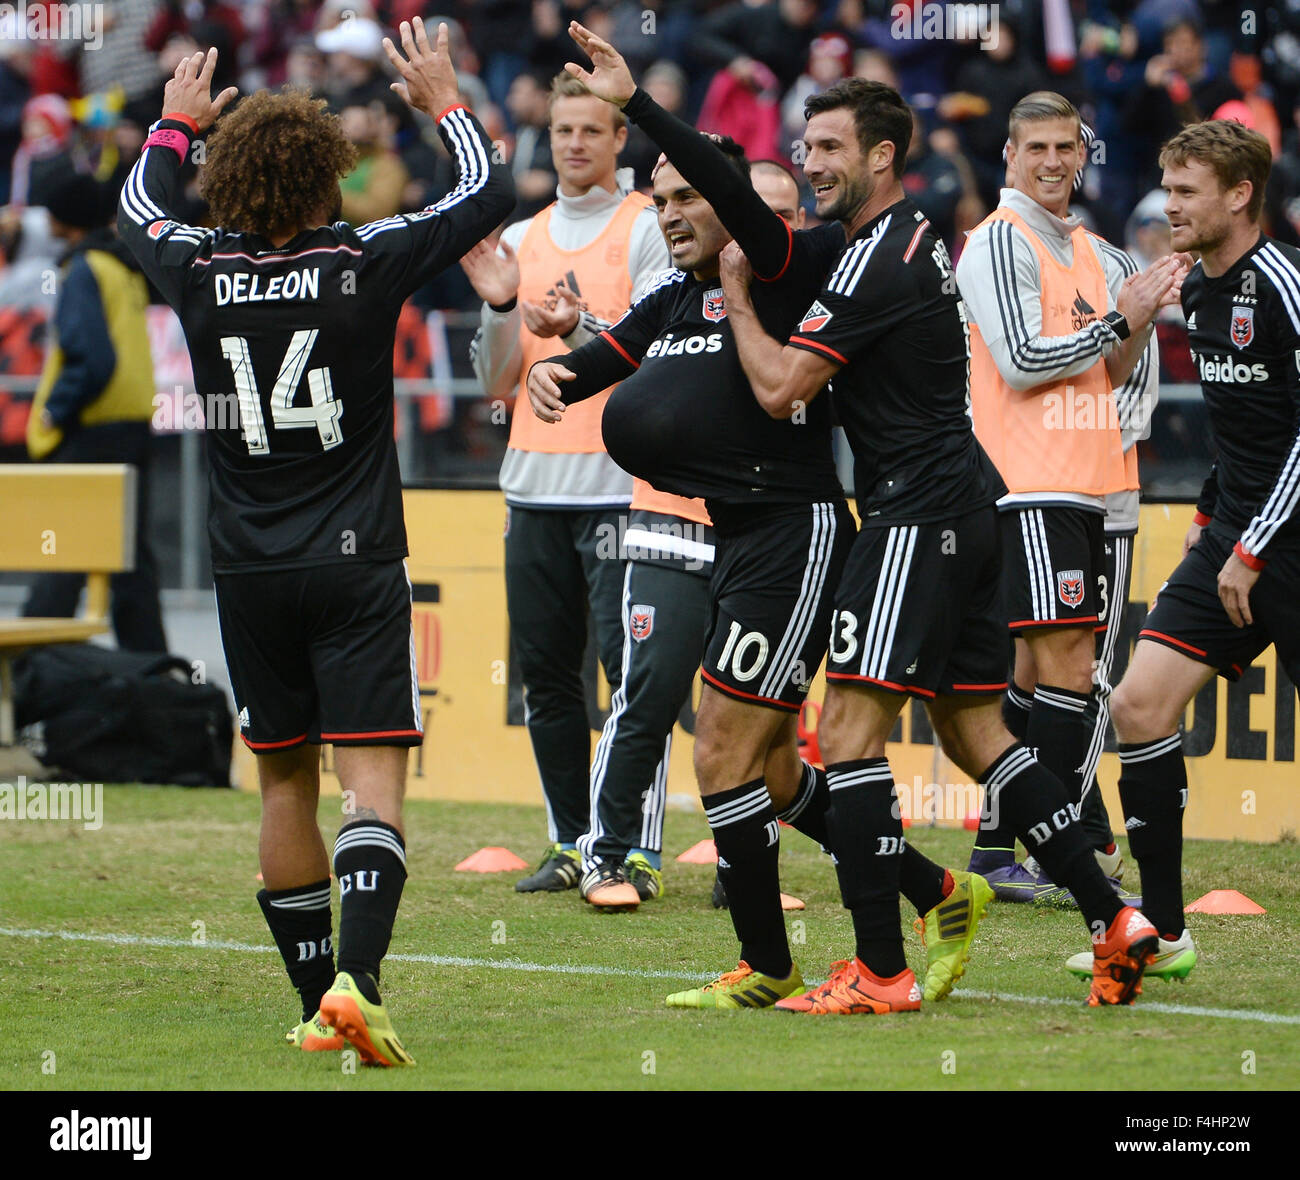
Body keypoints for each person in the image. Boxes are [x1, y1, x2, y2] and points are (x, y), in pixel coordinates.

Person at [718, 77, 1161, 1011]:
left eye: (831, 147)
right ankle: (1114, 915)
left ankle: (880, 971)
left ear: (883, 155)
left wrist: (737, 303)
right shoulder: (907, 237)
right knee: (978, 733)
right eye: (806, 147)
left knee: (844, 739)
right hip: (971, 506)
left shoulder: (883, 252)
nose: (812, 163)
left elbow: (780, 389)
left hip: (915, 517)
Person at [117, 26, 513, 1065]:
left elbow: (135, 209)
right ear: (330, 172)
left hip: (247, 568)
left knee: (284, 779)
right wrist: (444, 97)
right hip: (356, 558)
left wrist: (173, 122)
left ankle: (309, 1003)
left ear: (230, 180)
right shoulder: (362, 260)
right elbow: (484, 194)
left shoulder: (197, 265)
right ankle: (359, 984)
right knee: (372, 774)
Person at [529, 22, 853, 1009]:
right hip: (709, 530)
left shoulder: (780, 271)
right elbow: (603, 360)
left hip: (790, 532)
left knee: (733, 747)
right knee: (729, 745)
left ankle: (805, 947)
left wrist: (637, 105)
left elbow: (720, 176)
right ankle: (916, 887)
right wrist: (553, 368)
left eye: (686, 198)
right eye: (659, 200)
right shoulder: (673, 300)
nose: (671, 214)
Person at [954, 92, 1180, 902]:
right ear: (1010, 158)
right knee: (1072, 674)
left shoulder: (1092, 250)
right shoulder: (994, 241)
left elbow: (1116, 378)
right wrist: (1119, 323)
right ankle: (1062, 848)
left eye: (1066, 148)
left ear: (1084, 154)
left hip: (1090, 485)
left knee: (1040, 673)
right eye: (1037, 148)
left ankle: (997, 847)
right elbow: (1018, 361)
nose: (1053, 162)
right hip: (1030, 483)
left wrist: (1142, 320)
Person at [1084, 119, 1294, 985]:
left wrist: (1256, 543)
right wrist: (1224, 531)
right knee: (1137, 707)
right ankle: (1164, 932)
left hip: (1280, 539)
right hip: (1235, 537)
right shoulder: (1196, 289)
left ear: (1239, 196)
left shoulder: (1281, 283)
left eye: (1184, 191)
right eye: (1166, 189)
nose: (1167, 206)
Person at [578, 157, 811, 914]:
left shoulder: (806, 301)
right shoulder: (674, 294)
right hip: (670, 528)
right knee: (648, 697)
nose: (765, 228)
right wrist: (565, 356)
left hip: (769, 534)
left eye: (781, 215)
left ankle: (740, 870)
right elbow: (622, 345)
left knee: (759, 718)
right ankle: (605, 853)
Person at [463, 71, 668, 896]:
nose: (576, 144)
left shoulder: (647, 227)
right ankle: (571, 840)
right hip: (533, 492)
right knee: (547, 679)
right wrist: (501, 305)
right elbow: (495, 379)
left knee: (631, 677)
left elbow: (662, 350)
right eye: (562, 132)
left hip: (621, 488)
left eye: (592, 130)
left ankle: (635, 844)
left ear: (621, 140)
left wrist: (577, 324)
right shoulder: (522, 236)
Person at [23, 170, 167, 655]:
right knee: (129, 557)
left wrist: (55, 411)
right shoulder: (120, 265)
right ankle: (151, 667)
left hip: (94, 429)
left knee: (64, 543)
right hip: (131, 425)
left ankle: (25, 666)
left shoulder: (83, 269)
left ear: (64, 219)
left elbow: (93, 357)